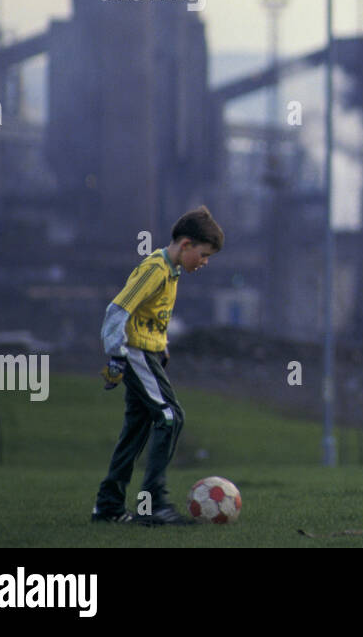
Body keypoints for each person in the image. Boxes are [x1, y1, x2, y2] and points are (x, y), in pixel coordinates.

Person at [90, 205, 224, 526]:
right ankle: (154, 505)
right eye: (204, 255)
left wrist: (163, 348)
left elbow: (152, 316)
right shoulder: (154, 269)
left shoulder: (172, 272)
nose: (204, 263)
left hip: (148, 355)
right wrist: (117, 354)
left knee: (136, 429)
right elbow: (118, 309)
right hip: (134, 353)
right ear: (186, 244)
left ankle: (108, 505)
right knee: (170, 416)